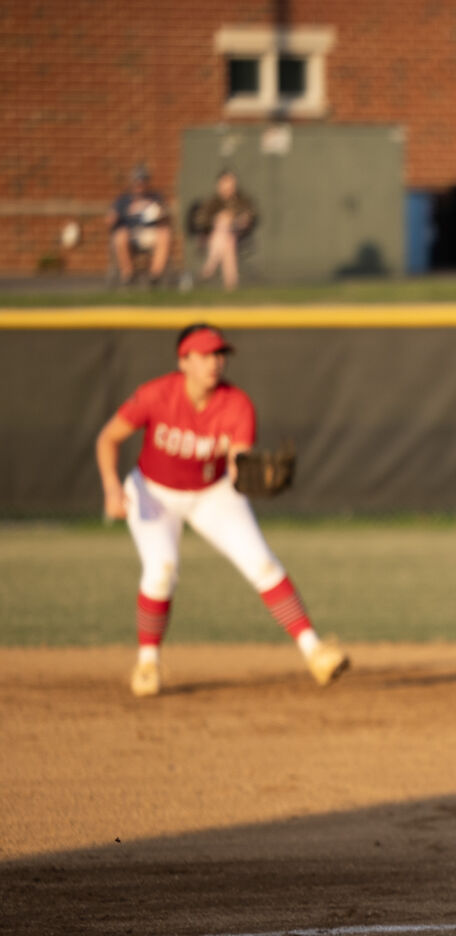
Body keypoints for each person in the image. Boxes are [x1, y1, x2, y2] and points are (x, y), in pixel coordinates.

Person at [94, 324, 350, 697]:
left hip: (211, 492)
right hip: (153, 493)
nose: (215, 362)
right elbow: (108, 437)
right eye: (204, 355)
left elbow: (236, 460)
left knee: (262, 563)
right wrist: (111, 487)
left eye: (220, 354)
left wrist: (243, 472)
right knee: (161, 569)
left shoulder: (237, 404)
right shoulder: (156, 394)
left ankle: (315, 652)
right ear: (183, 361)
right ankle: (148, 664)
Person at [189, 170, 258, 290]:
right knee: (225, 234)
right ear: (219, 185)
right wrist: (217, 220)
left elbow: (251, 216)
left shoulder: (242, 201)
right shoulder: (212, 203)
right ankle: (231, 284)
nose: (228, 187)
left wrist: (239, 220)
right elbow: (201, 221)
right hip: (213, 238)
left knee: (227, 234)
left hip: (239, 237)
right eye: (225, 183)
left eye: (230, 184)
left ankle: (209, 268)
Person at [107, 164, 171, 285]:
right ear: (132, 182)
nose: (140, 185)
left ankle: (155, 276)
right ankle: (128, 275)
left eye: (143, 181)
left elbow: (166, 216)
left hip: (149, 233)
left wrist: (160, 214)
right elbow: (110, 219)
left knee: (164, 233)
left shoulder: (155, 198)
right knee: (120, 235)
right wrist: (116, 217)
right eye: (137, 181)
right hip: (131, 234)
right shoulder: (123, 200)